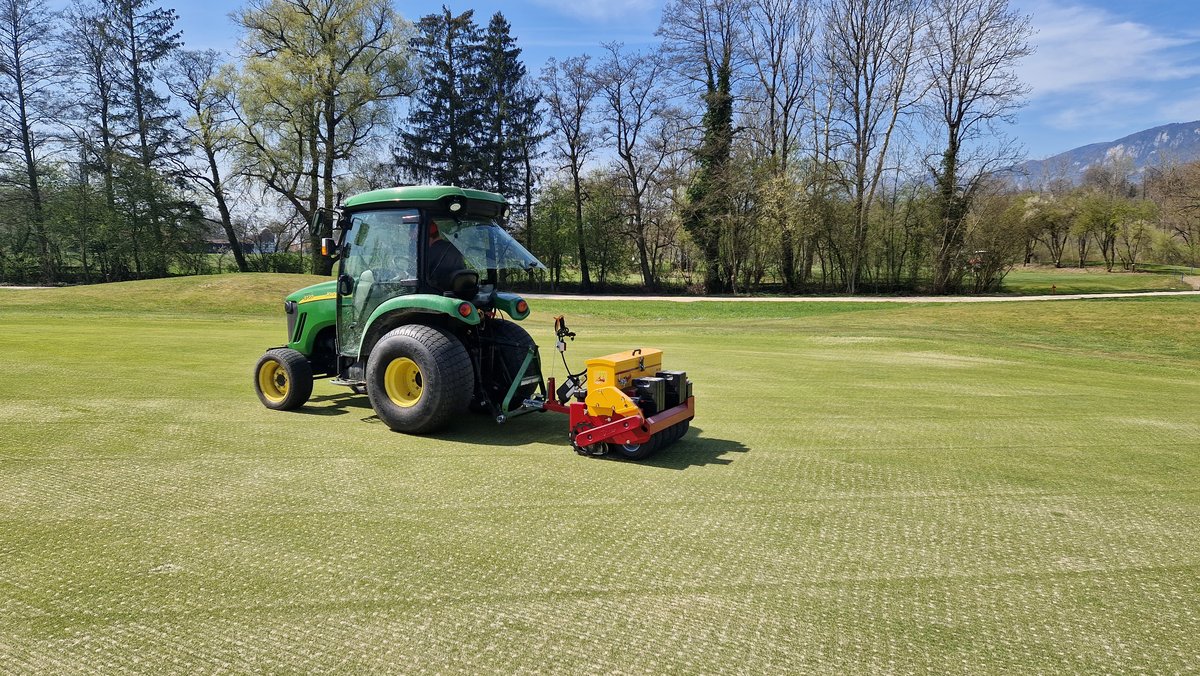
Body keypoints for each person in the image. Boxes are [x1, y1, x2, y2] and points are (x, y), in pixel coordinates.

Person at [425, 221, 466, 292]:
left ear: (427, 237)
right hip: (458, 291)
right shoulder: (455, 249)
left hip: (437, 293)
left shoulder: (430, 252)